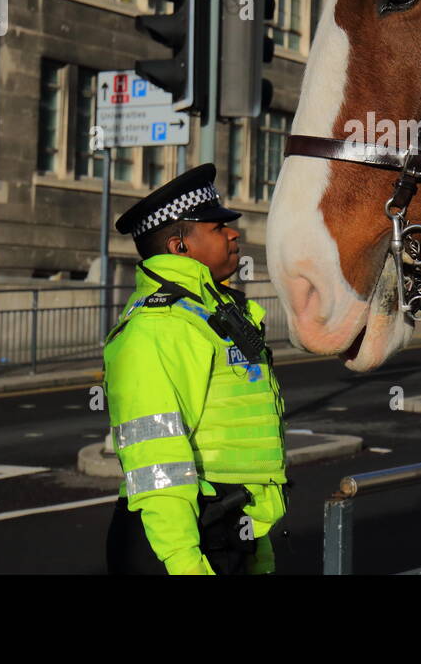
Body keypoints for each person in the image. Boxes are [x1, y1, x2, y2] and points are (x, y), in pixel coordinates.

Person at [103, 163, 287, 575]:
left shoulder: (211, 314)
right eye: (217, 227)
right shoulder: (157, 328)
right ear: (179, 246)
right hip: (178, 545)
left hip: (224, 530)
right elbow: (158, 464)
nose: (234, 232)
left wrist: (258, 547)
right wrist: (186, 564)